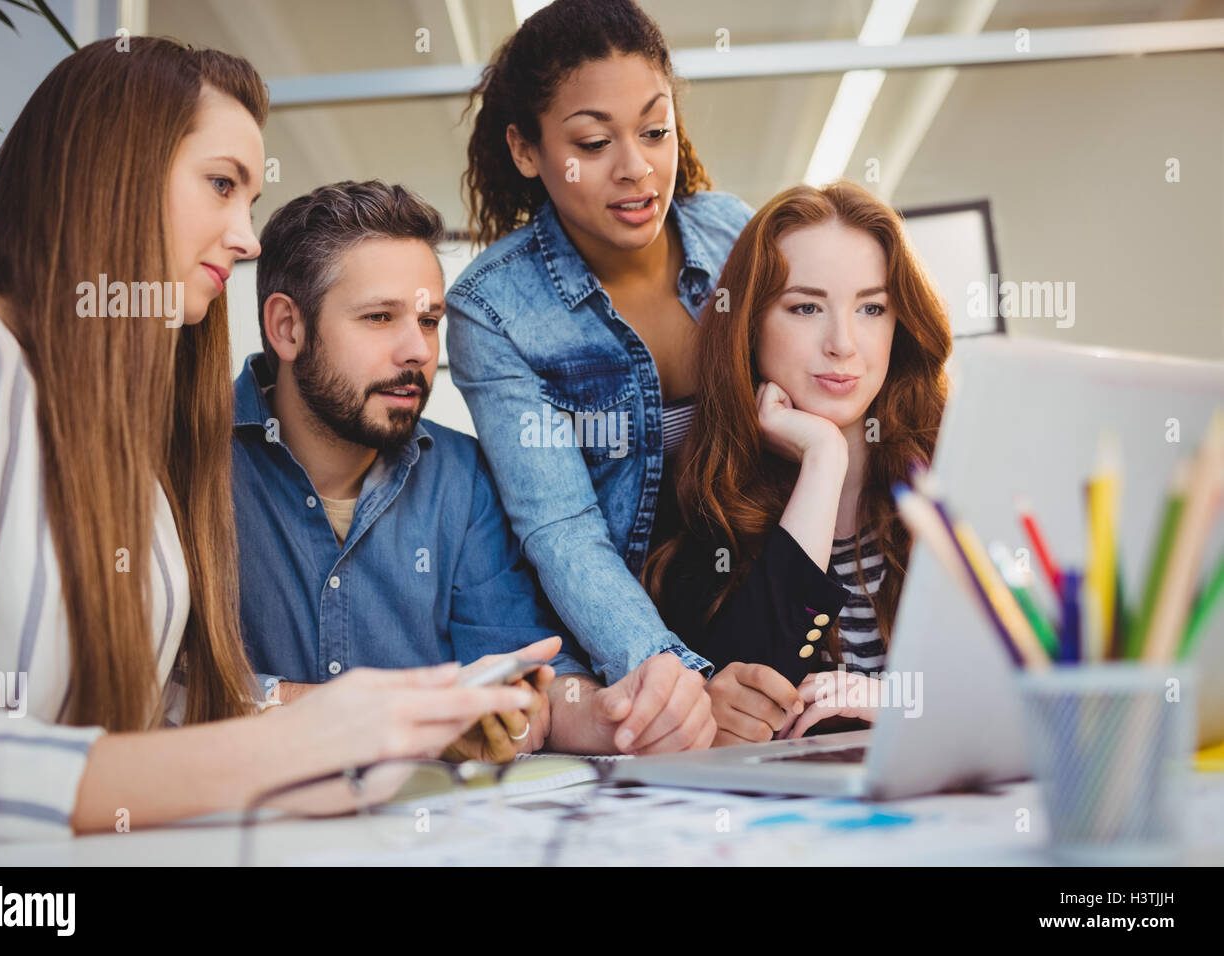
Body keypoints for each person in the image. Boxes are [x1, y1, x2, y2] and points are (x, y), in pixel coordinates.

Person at [0, 38, 530, 847]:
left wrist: (366, 719)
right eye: (221, 185)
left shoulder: (128, 441)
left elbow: (149, 717)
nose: (246, 238)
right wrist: (283, 743)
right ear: (115, 171)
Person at [236, 179, 636, 758]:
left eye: (428, 320)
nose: (419, 351)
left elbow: (521, 693)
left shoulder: (465, 477)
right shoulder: (185, 470)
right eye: (379, 317)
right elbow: (158, 693)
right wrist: (376, 722)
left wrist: (587, 716)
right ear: (288, 328)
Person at [446, 0, 752, 753]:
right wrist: (672, 676)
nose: (637, 167)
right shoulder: (492, 308)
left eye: (655, 130)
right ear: (526, 149)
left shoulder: (739, 235)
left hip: (758, 604)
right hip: (616, 643)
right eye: (593, 141)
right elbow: (562, 529)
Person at [644, 182, 953, 747]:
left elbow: (1036, 686)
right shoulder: (695, 507)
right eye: (806, 307)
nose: (843, 342)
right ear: (750, 325)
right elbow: (754, 716)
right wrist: (823, 461)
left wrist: (902, 702)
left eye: (872, 308)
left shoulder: (954, 481)